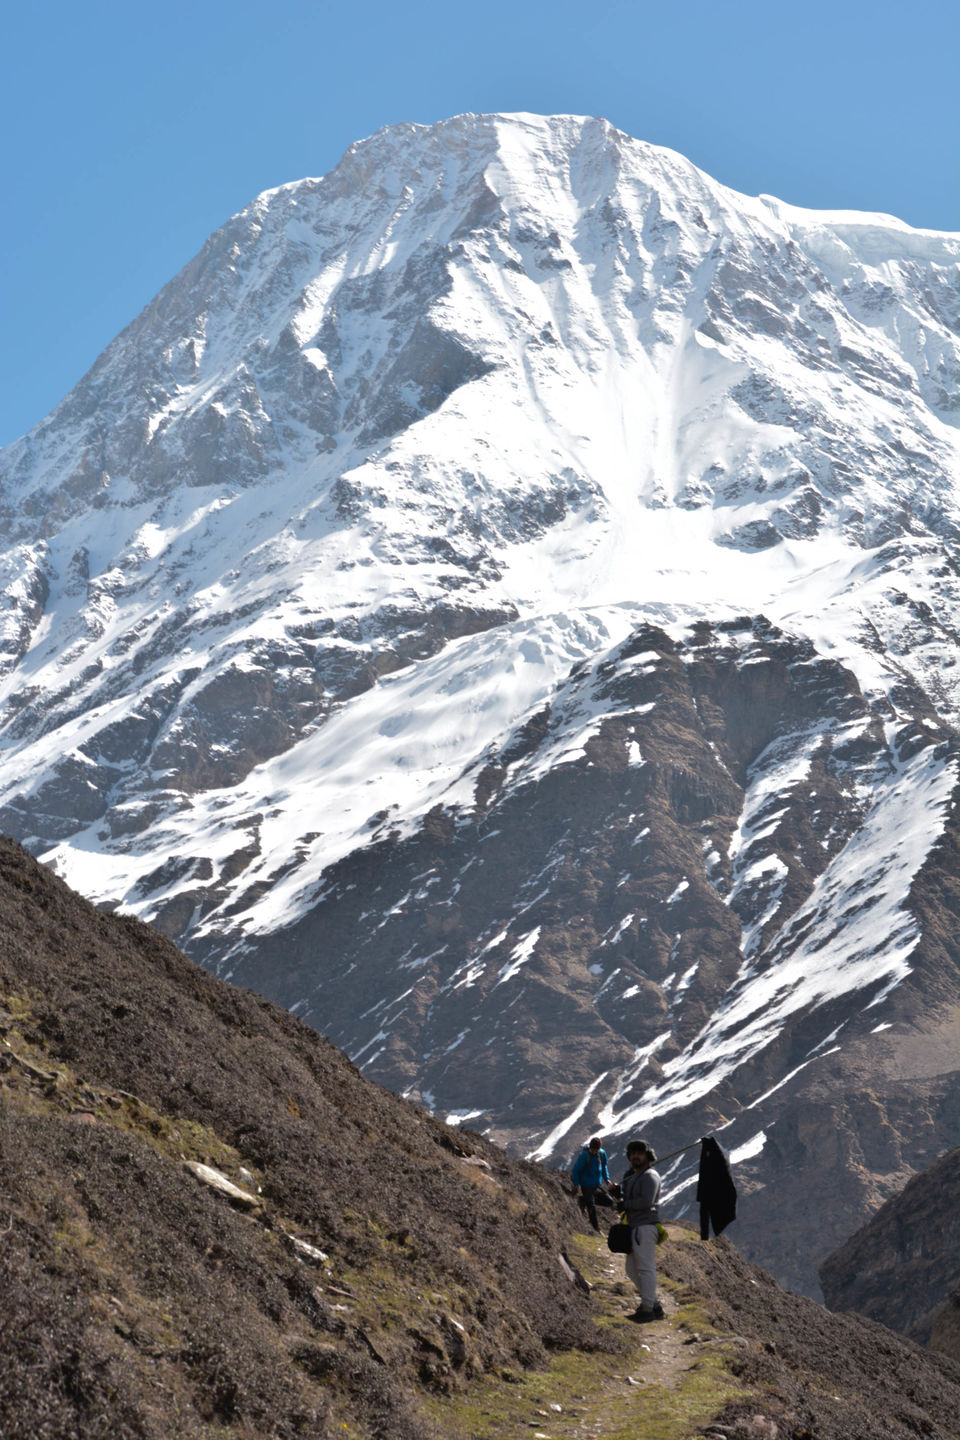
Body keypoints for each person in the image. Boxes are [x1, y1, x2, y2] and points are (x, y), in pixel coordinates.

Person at [621, 1139, 664, 1322]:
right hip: (636, 1227)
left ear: (647, 1155)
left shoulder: (650, 1176)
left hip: (645, 1227)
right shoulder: (635, 1176)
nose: (635, 1156)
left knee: (645, 1268)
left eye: (639, 1153)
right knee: (631, 1269)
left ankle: (647, 1310)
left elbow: (646, 1201)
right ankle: (654, 1304)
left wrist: (624, 1205)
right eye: (632, 1154)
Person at [570, 1136, 615, 1232]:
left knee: (609, 1201)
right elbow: (576, 1170)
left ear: (599, 1149)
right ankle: (596, 1228)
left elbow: (604, 1167)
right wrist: (576, 1184)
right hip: (586, 1185)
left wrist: (607, 1179)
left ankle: (583, 1200)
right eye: (592, 1150)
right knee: (591, 1206)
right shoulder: (584, 1156)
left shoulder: (602, 1154)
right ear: (590, 1147)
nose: (594, 1152)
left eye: (596, 1150)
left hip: (596, 1185)